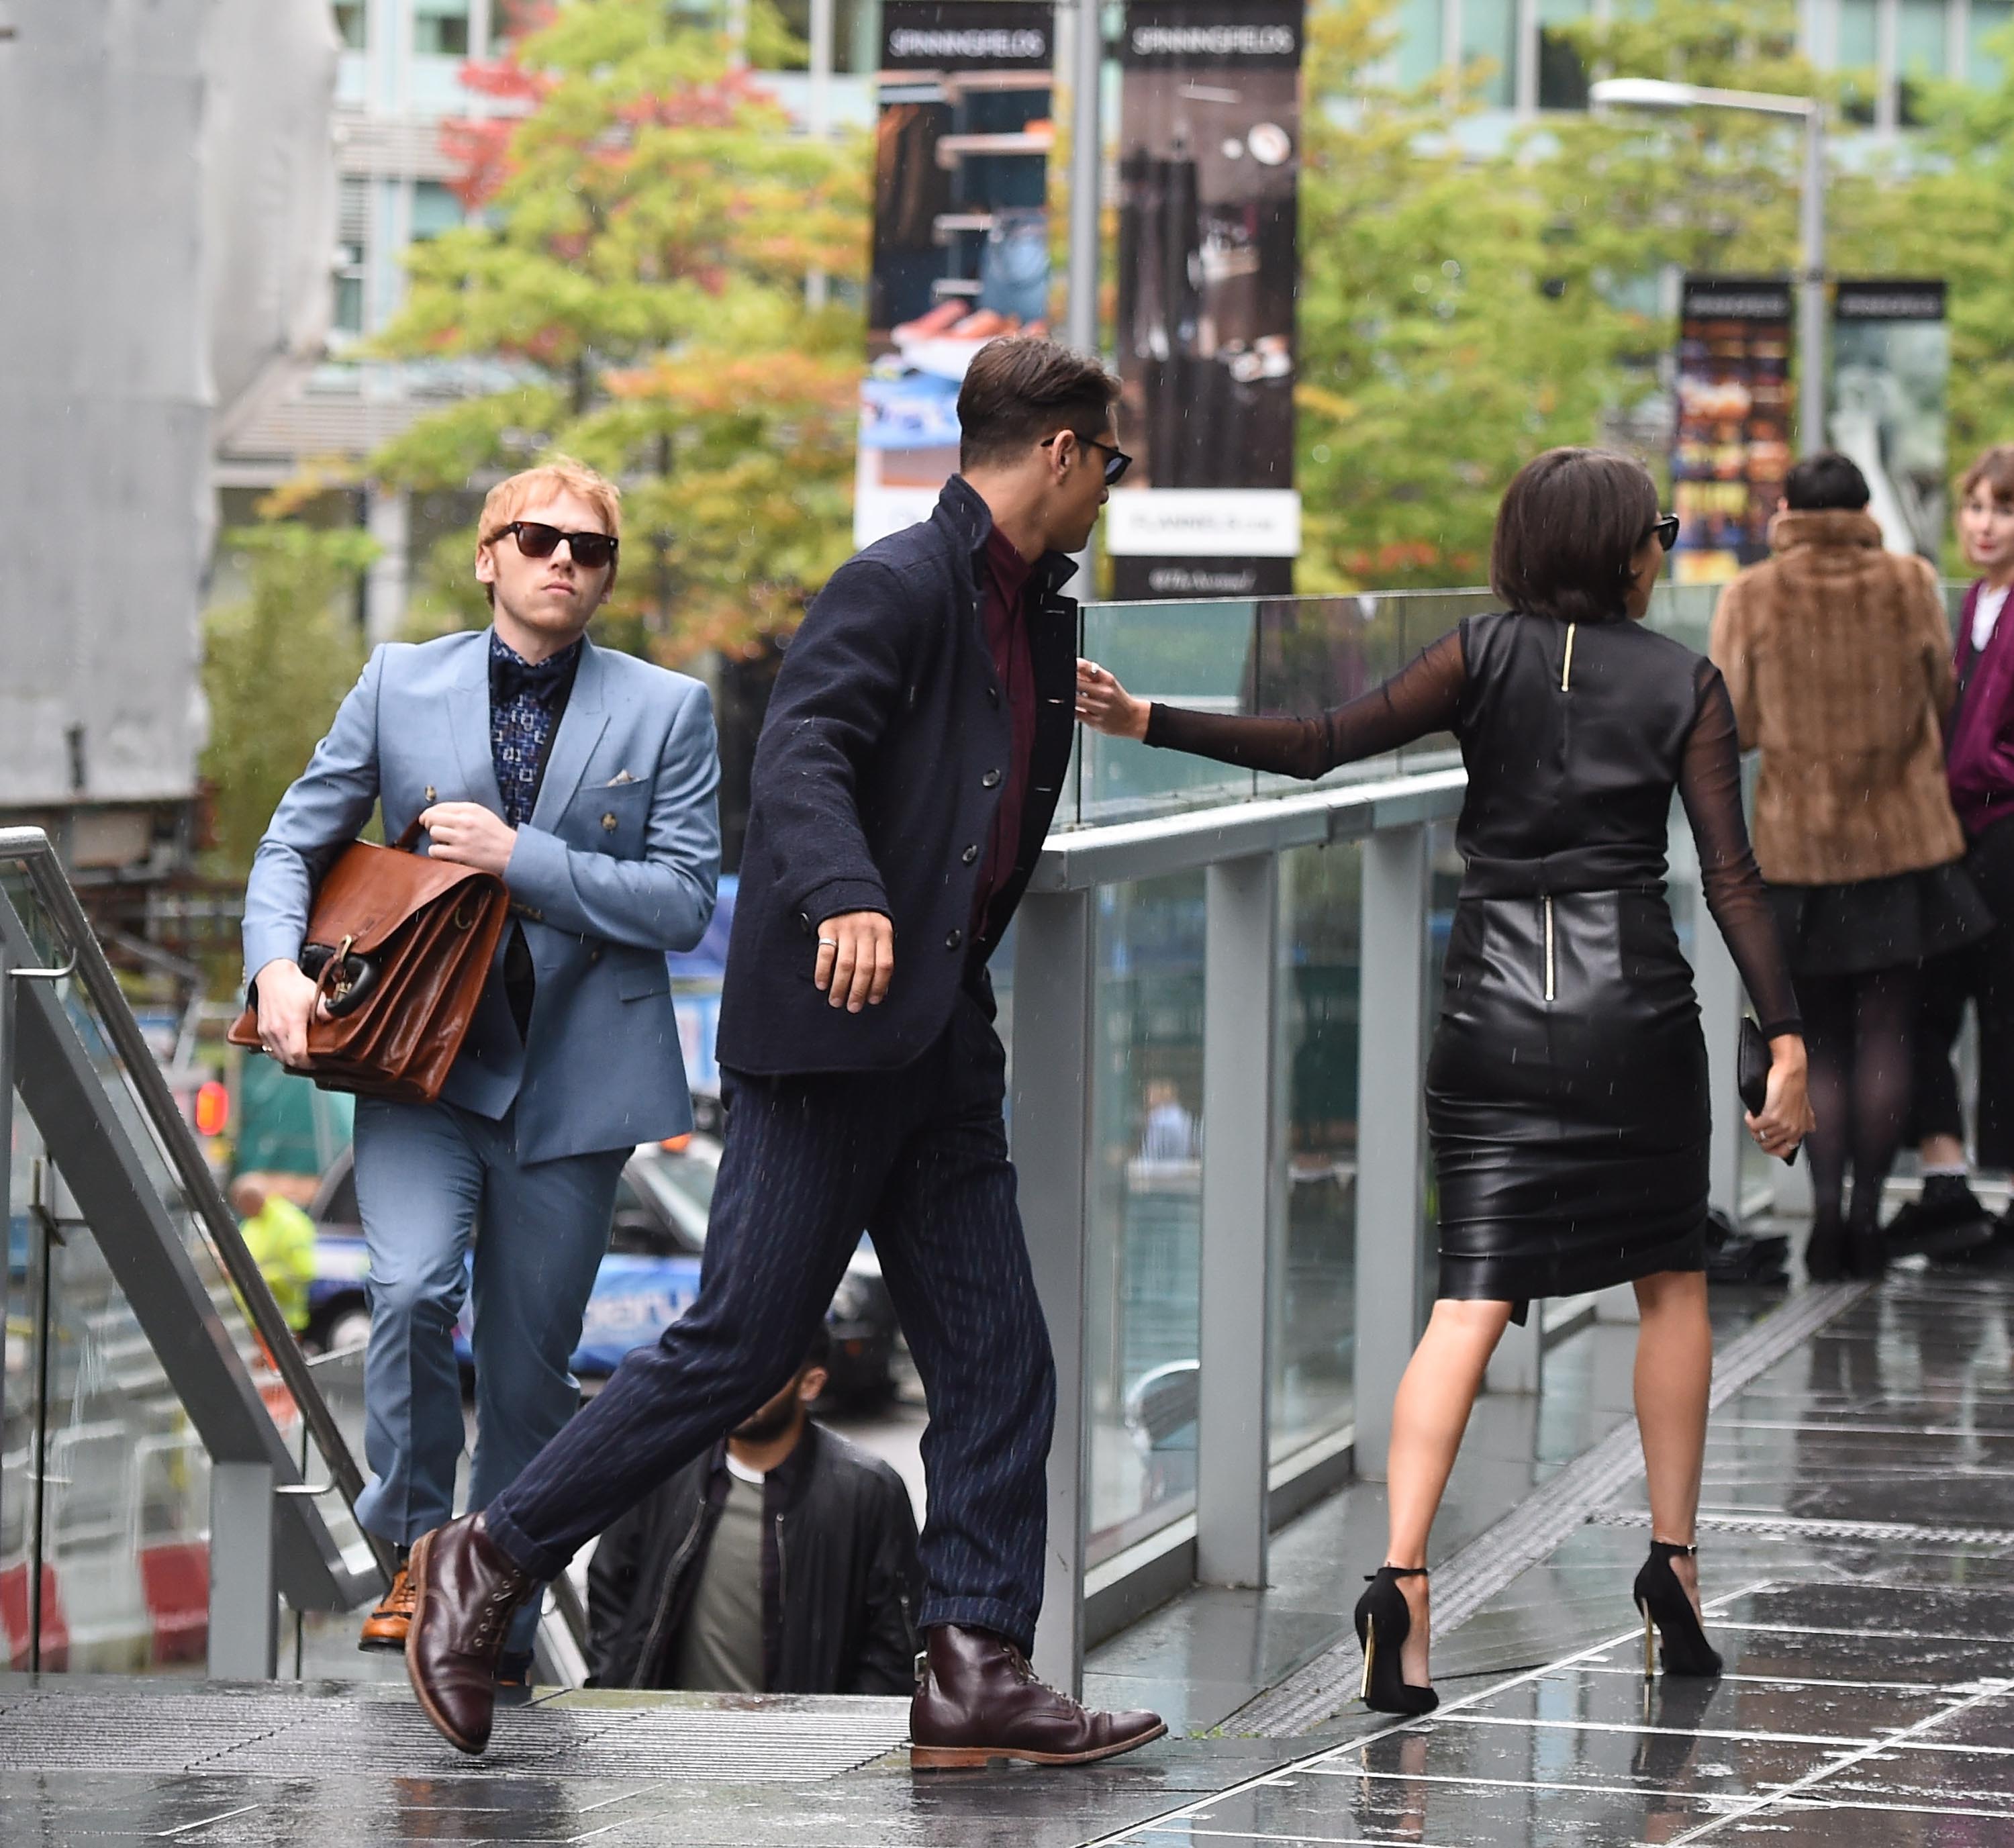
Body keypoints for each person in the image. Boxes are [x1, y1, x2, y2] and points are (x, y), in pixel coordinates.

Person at [403, 337, 1165, 1769]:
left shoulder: (1036, 619)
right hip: (829, 1030)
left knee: (1001, 1363)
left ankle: (975, 1660)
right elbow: (803, 753)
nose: (1110, 496)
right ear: (1060, 453)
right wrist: (849, 891)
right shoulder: (898, 584)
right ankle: (487, 1555)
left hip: (937, 1041)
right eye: (1107, 467)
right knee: (743, 1338)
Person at [1077, 447, 1813, 1713]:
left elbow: (1315, 746)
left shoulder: (1474, 655)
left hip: (1488, 1015)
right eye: (1661, 530)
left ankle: (1402, 1580)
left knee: (1468, 1299)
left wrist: (1151, 720)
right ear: (1628, 549)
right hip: (1633, 1013)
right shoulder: (1684, 678)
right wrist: (1786, 1031)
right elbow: (1731, 874)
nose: (1665, 545)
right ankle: (1675, 1566)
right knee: (1672, 1275)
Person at [241, 458, 720, 1679]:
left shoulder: (667, 708)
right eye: (540, 536)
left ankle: (489, 1581)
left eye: (592, 547)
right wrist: (274, 972)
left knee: (525, 1368)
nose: (566, 559)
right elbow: (293, 841)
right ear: (488, 555)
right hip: (421, 1067)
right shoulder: (401, 682)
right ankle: (412, 1548)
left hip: (578, 1081)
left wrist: (524, 856)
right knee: (404, 1292)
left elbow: (677, 902)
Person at [1710, 452, 1991, 1279]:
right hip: (1903, 850)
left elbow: (1741, 722)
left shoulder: (1752, 594)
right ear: (1866, 508)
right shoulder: (1910, 581)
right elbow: (1940, 703)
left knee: (1818, 1041)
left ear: (1787, 508)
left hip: (1800, 856)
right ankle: (1870, 1217)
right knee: (1888, 1035)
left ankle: (1825, 1220)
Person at [586, 1326, 922, 1693]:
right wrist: (617, 1691)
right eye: (729, 1367)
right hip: (670, 1736)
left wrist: (838, 1736)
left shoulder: (867, 1490)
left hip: (807, 1743)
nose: (739, 1386)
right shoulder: (664, 1466)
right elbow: (610, 1588)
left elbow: (895, 1640)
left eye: (761, 1372)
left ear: (810, 1384)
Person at [1889, 444, 2014, 1259]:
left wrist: (1984, 769)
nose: (1983, 523)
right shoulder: (1969, 601)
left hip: (2003, 826)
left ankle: (1999, 1191)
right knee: (1919, 999)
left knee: (2004, 1012)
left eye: (2002, 509)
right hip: (1950, 829)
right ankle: (1947, 1172)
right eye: (1975, 507)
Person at [227, 1173, 316, 1337]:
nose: (240, 1211)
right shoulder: (252, 1223)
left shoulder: (289, 1224)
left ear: (249, 1200)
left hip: (283, 1325)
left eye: (240, 1205)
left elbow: (303, 1272)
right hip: (259, 1322)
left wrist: (255, 1276)